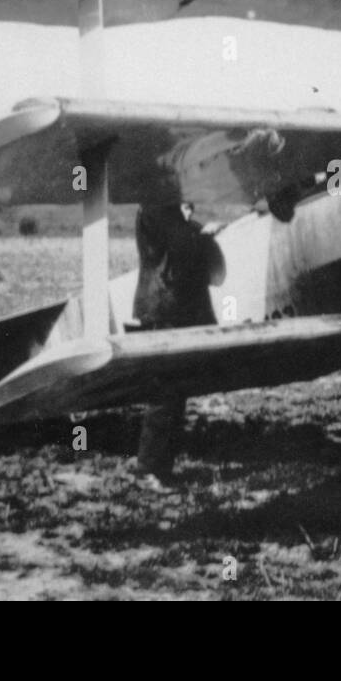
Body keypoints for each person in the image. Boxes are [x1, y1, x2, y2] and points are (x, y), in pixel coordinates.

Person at [133, 198, 220, 485]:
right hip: (163, 309)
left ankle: (161, 469)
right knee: (165, 392)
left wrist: (195, 228)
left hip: (170, 309)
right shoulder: (157, 209)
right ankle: (148, 470)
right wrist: (202, 232)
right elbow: (182, 246)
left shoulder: (165, 212)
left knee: (174, 393)